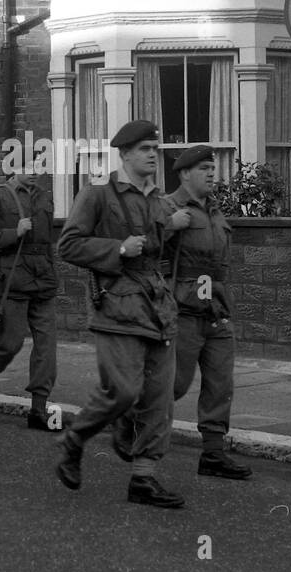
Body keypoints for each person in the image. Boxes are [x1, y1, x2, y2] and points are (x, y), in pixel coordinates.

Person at [54, 120, 192, 507]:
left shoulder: (158, 200)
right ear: (125, 153)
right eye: (145, 148)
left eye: (155, 148)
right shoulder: (98, 194)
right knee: (124, 391)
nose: (153, 154)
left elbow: (157, 244)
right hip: (117, 305)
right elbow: (68, 245)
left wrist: (172, 224)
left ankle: (143, 479)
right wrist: (117, 249)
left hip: (157, 307)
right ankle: (74, 438)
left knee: (159, 399)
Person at [162, 145, 251, 480]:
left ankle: (213, 454)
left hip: (215, 309)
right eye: (203, 168)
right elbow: (146, 246)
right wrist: (169, 226)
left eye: (213, 168)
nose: (212, 173)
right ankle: (136, 424)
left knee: (220, 382)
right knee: (175, 384)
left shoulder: (215, 211)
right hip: (183, 311)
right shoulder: (168, 207)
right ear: (185, 174)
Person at [0, 168, 59, 430]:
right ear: (13, 167)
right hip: (12, 279)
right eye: (26, 165)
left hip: (42, 279)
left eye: (38, 165)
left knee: (47, 346)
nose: (34, 172)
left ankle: (39, 410)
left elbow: (47, 240)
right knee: (10, 343)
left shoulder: (43, 196)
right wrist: (13, 233)